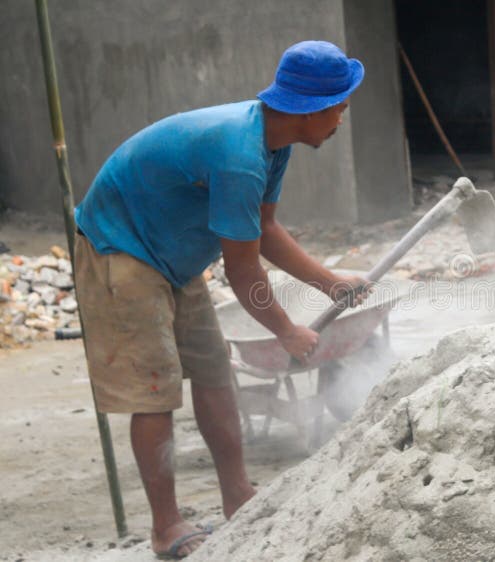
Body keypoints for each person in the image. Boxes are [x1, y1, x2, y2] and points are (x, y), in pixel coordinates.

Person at [73, 40, 369, 559]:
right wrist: (286, 331)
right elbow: (242, 269)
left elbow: (265, 228)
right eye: (339, 108)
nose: (341, 121)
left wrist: (329, 283)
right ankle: (166, 527)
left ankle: (238, 496)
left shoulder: (274, 143)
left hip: (173, 254)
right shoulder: (240, 156)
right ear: (311, 109)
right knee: (156, 386)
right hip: (120, 248)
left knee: (212, 369)